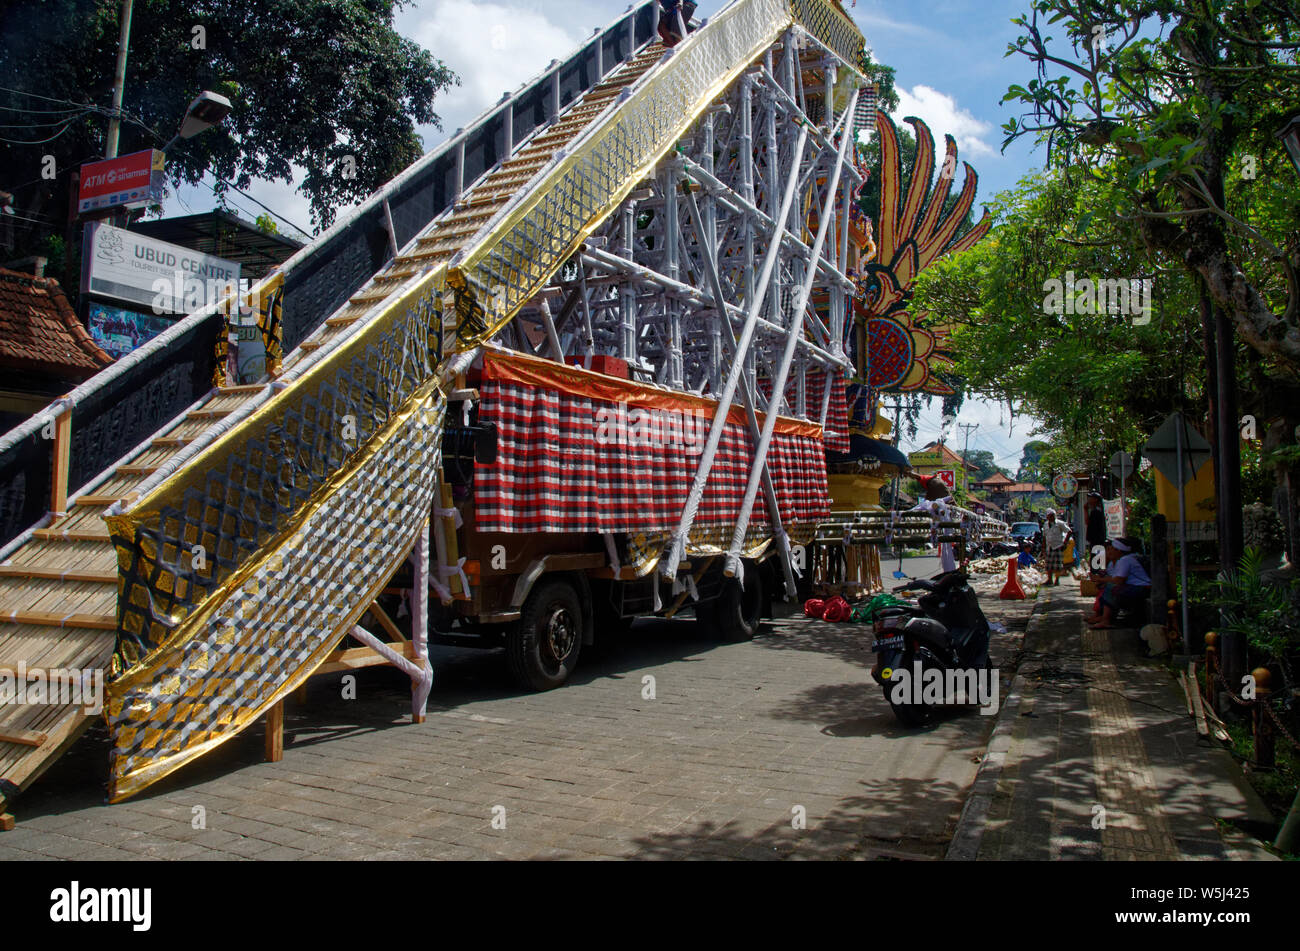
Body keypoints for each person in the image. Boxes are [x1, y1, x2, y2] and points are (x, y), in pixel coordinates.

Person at [1086, 538, 1151, 629]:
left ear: (1118, 551)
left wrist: (1100, 579)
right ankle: (1105, 617)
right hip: (1138, 587)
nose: (1109, 552)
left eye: (1111, 549)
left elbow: (1118, 580)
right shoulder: (1122, 560)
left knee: (1111, 587)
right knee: (1109, 587)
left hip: (1142, 588)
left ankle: (1106, 619)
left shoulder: (1125, 560)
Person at [1041, 508, 1070, 586]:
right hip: (1049, 546)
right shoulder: (1045, 524)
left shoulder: (1060, 523)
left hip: (1058, 546)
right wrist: (1043, 547)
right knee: (1048, 565)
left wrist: (1065, 542)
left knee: (1057, 565)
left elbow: (1069, 531)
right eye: (1050, 516)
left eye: (1053, 516)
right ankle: (1050, 580)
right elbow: (1044, 536)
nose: (1052, 517)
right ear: (1047, 517)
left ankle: (1057, 580)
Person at [1085, 491, 1107, 574]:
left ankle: (1097, 580)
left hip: (1097, 540)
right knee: (1097, 562)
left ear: (1095, 500)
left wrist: (1085, 510)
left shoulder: (1096, 511)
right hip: (1097, 540)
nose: (1089, 499)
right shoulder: (1097, 510)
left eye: (1091, 498)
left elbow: (1087, 522)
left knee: (1096, 564)